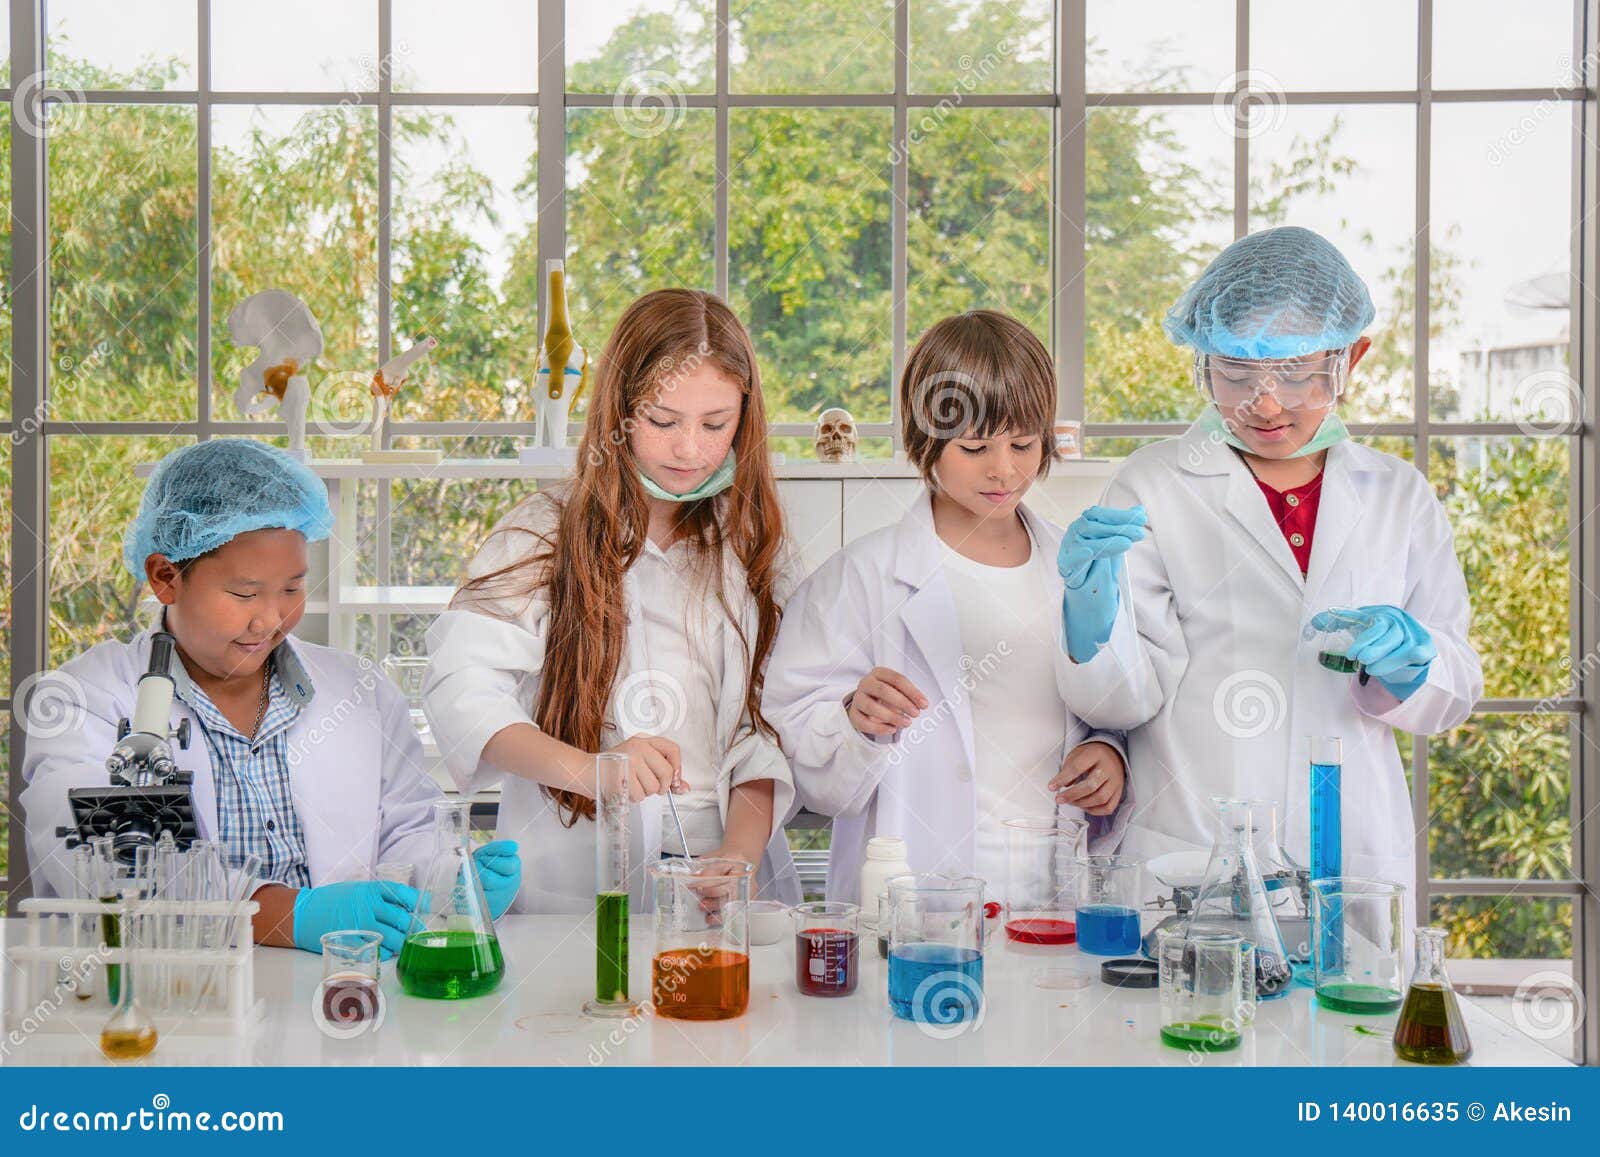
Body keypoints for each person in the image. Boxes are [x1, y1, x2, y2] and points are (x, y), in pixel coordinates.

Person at [1055, 226, 1482, 907]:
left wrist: (1416, 664)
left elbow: (1455, 689)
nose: (1267, 402)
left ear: (1353, 357)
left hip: (1352, 862)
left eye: (1295, 372)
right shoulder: (1155, 484)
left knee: (1354, 1014)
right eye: (1237, 372)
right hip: (1191, 851)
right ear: (1202, 361)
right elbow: (1120, 701)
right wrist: (1090, 620)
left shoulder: (1399, 495)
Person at [19, 439, 520, 956]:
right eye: (243, 594)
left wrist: (448, 880)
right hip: (172, 995)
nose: (271, 619)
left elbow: (406, 828)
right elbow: (96, 860)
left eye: (292, 588)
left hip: (341, 990)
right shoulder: (87, 697)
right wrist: (281, 914)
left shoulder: (360, 690)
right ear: (165, 577)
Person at [423, 289, 802, 913]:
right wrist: (592, 772)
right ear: (617, 413)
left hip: (724, 876)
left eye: (716, 424)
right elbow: (461, 691)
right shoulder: (540, 533)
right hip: (572, 867)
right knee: (580, 1000)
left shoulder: (757, 549)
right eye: (661, 421)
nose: (689, 450)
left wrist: (737, 854)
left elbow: (769, 727)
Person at [764, 310, 1130, 905]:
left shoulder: (1078, 570)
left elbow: (1120, 702)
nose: (1004, 469)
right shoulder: (861, 579)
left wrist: (1110, 755)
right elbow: (796, 751)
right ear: (924, 440)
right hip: (910, 897)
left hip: (1050, 897)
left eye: (1023, 443)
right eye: (975, 446)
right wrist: (853, 720)